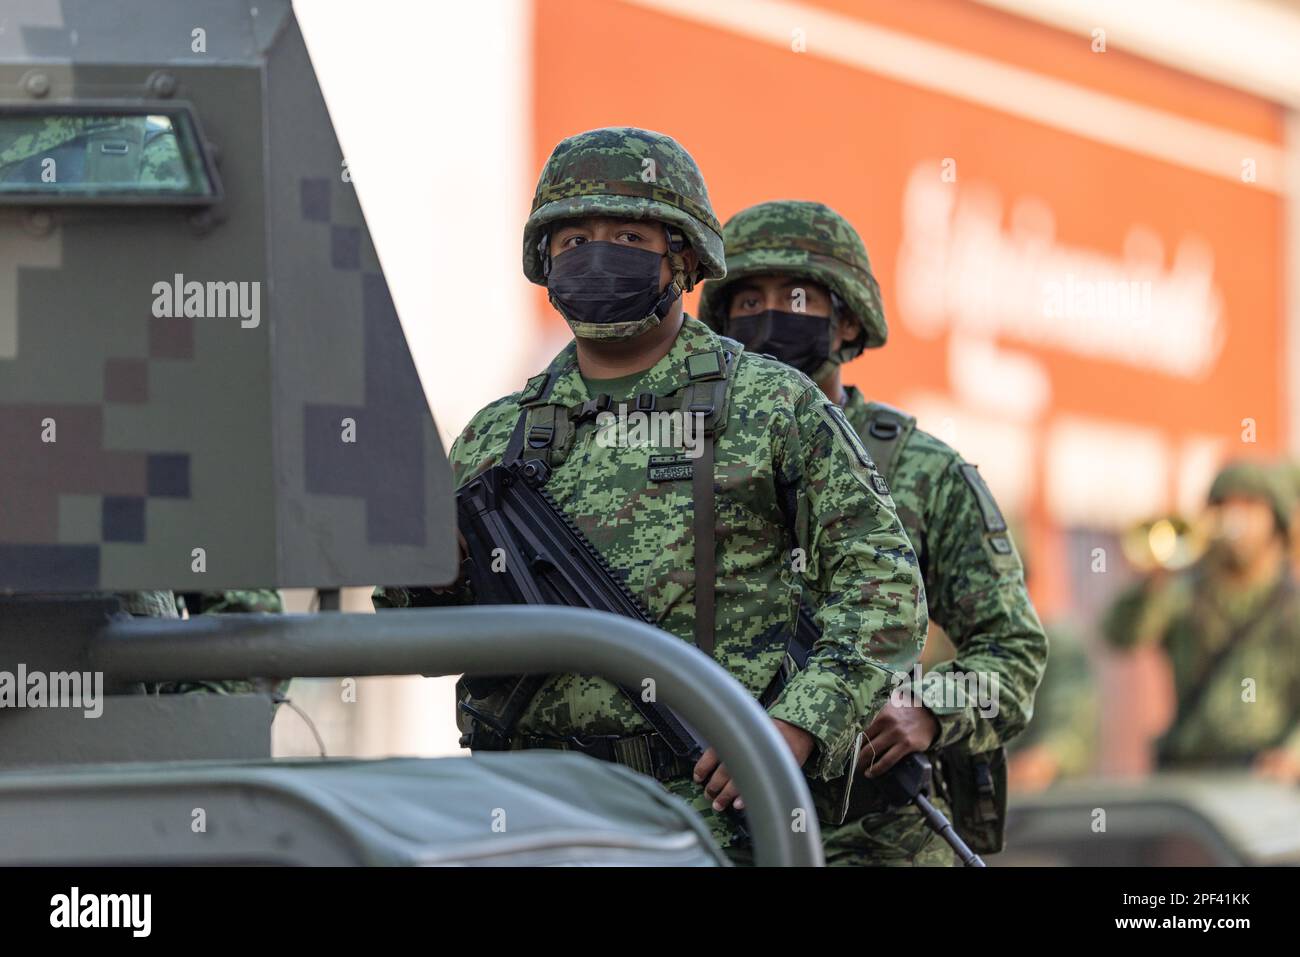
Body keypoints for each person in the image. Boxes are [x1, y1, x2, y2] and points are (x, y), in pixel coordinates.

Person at [375, 129, 926, 855]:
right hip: (530, 817)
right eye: (572, 239)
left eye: (627, 234)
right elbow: (416, 629)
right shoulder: (494, 437)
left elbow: (883, 585)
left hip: (708, 820)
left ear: (685, 257)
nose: (596, 254)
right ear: (544, 260)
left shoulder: (768, 408)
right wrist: (430, 566)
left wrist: (791, 726)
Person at [698, 199, 1047, 864]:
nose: (770, 315)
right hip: (713, 827)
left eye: (797, 297)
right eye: (747, 302)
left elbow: (1014, 654)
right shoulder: (684, 461)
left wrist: (930, 707)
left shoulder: (921, 470)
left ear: (847, 318)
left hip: (877, 837)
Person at [1103, 461, 1300, 781]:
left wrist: (1292, 756)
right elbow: (1121, 636)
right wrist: (1152, 582)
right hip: (1189, 772)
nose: (1234, 518)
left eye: (1249, 506)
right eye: (1222, 505)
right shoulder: (1183, 594)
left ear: (1274, 521)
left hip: (1263, 778)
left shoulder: (1291, 606)